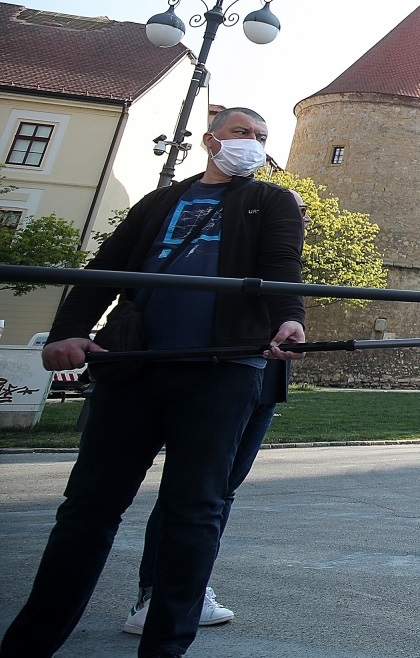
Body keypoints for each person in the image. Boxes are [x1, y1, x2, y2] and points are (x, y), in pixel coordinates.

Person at [1, 108, 306, 658]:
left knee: (194, 510)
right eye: (243, 134)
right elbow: (105, 269)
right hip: (134, 365)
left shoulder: (272, 201)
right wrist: (66, 332)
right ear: (211, 140)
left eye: (262, 138)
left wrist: (291, 315)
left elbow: (282, 264)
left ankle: (163, 647)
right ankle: (28, 644)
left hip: (222, 369)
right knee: (86, 510)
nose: (253, 145)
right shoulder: (160, 200)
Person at [123, 189, 307, 635]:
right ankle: (158, 597)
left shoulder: (283, 258)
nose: (296, 221)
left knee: (219, 491)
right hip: (223, 369)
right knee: (192, 492)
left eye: (300, 215)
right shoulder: (231, 247)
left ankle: (186, 587)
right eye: (290, 213)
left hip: (262, 377)